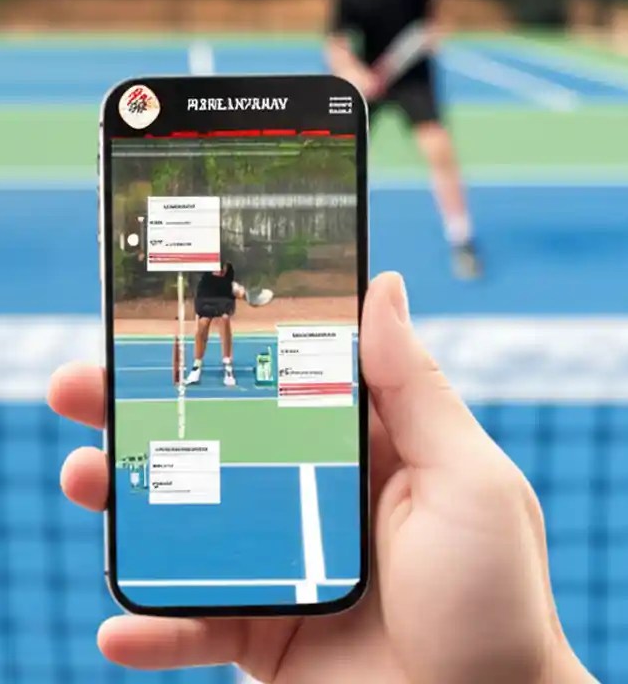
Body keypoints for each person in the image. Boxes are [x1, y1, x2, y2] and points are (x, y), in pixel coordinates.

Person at [48, 272, 597, 682]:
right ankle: (200, 366)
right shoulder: (196, 274)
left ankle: (227, 368)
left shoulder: (222, 267)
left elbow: (238, 286)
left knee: (222, 336)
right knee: (204, 331)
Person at [325, 0, 483, 281]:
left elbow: (435, 24)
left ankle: (461, 238)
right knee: (339, 158)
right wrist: (356, 75)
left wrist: (433, 36)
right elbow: (336, 47)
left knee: (439, 150)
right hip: (368, 78)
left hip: (413, 81)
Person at [184, 262, 250, 388]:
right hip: (206, 293)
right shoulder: (204, 257)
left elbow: (230, 279)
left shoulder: (229, 262)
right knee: (203, 323)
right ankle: (196, 367)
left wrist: (237, 289)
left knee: (224, 319)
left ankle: (228, 366)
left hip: (224, 294)